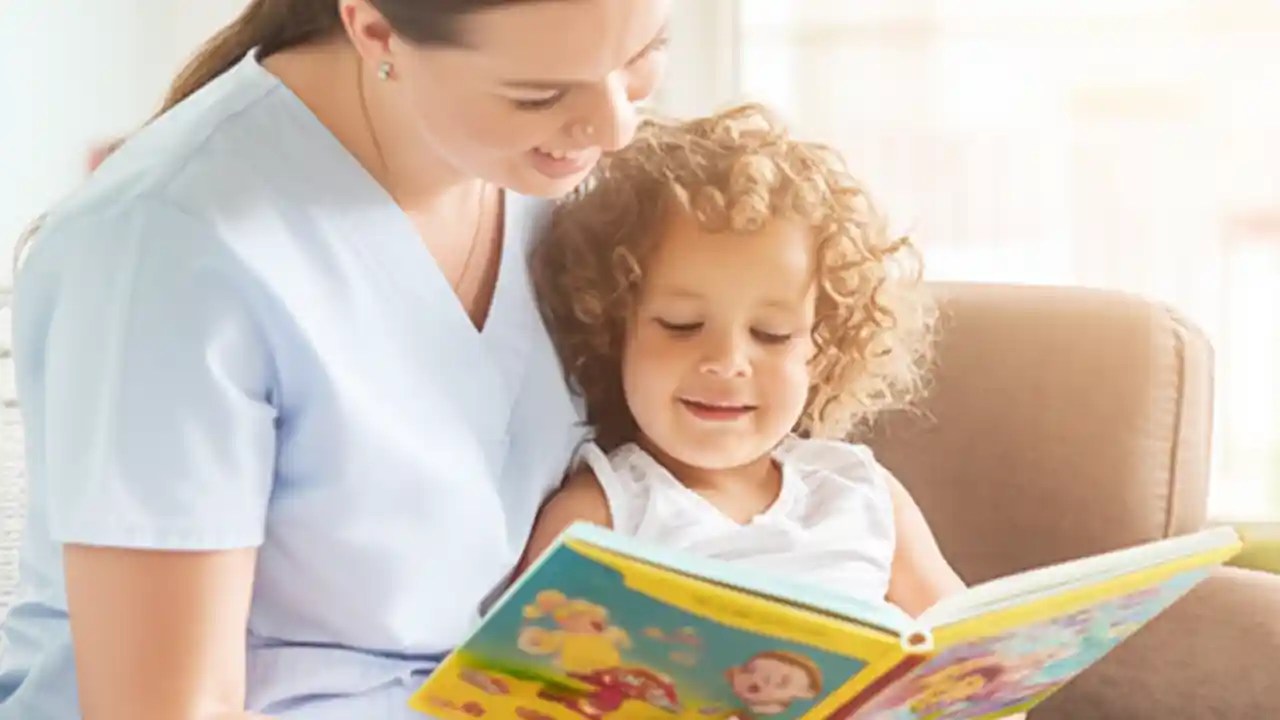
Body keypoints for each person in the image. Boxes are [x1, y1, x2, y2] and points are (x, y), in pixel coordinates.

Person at [0, 1, 672, 718]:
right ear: (374, 31)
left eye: (642, 55)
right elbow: (166, 705)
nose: (616, 128)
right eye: (538, 94)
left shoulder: (566, 186)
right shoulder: (165, 251)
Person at [525, 102, 964, 631]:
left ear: (822, 349)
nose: (727, 363)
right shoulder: (601, 518)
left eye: (771, 334)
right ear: (614, 328)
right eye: (682, 325)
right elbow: (519, 670)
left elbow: (973, 645)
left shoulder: (862, 492)